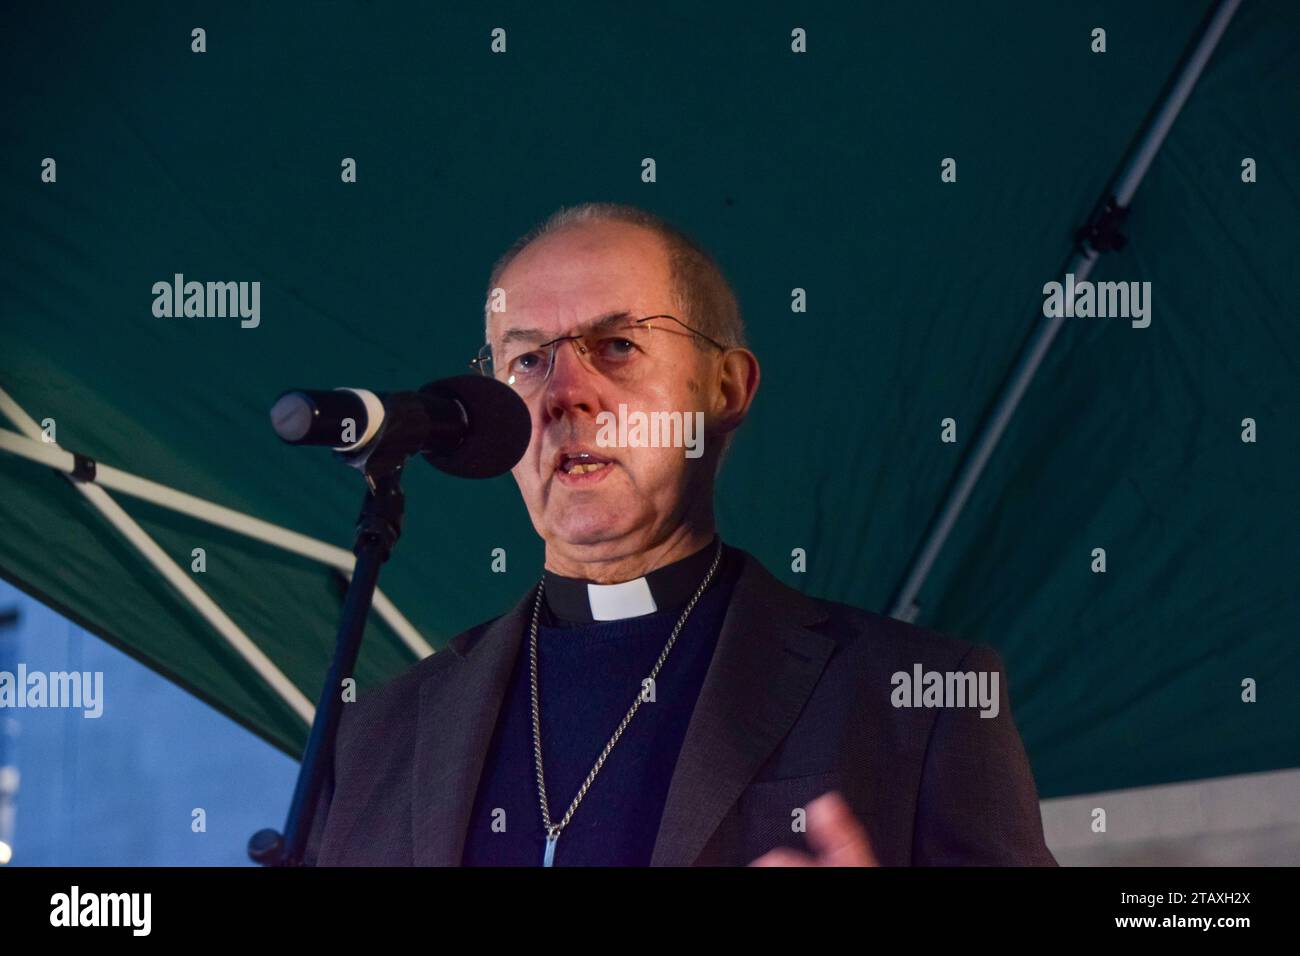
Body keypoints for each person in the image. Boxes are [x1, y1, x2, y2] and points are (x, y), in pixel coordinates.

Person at [305, 202, 1057, 867]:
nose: (566, 395)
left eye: (617, 347)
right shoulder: (374, 738)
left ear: (724, 389)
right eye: (528, 360)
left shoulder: (920, 701)